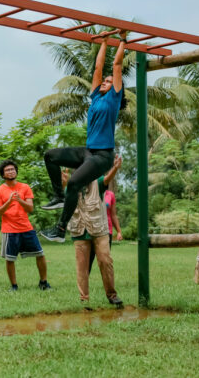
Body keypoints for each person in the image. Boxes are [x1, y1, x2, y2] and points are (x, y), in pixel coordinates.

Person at [41, 30, 129, 243]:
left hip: (103, 156)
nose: (106, 82)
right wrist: (104, 41)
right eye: (105, 81)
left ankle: (60, 230)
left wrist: (123, 40)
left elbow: (116, 66)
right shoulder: (96, 97)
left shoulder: (114, 99)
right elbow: (98, 68)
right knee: (50, 156)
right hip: (88, 151)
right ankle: (58, 197)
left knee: (73, 183)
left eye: (110, 81)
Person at [64, 156, 123, 307]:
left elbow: (107, 178)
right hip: (79, 230)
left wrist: (115, 168)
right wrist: (63, 180)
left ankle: (112, 295)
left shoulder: (97, 182)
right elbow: (64, 190)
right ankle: (84, 298)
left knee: (105, 261)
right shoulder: (72, 185)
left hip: (99, 230)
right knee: (82, 266)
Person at [0, 159, 51, 291]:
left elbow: (30, 208)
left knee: (40, 254)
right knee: (10, 259)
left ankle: (44, 282)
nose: (11, 171)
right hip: (9, 230)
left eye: (12, 169)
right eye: (7, 170)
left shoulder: (25, 187)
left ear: (16, 171)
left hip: (26, 228)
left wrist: (19, 200)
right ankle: (14, 286)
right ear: (3, 174)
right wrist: (8, 202)